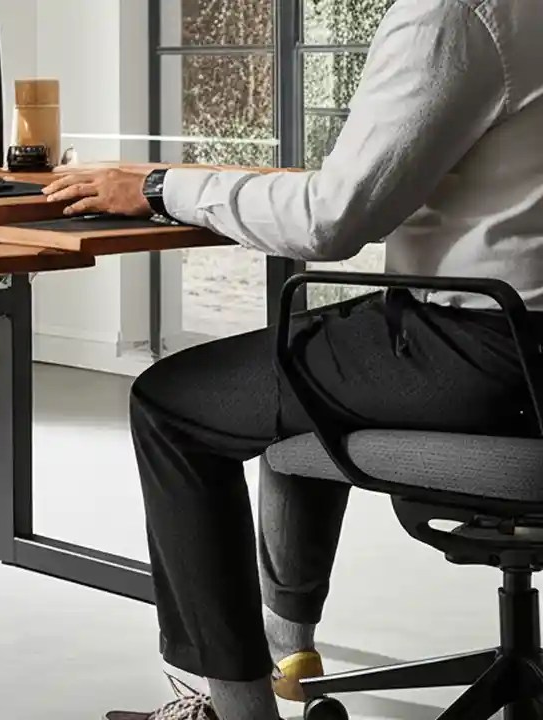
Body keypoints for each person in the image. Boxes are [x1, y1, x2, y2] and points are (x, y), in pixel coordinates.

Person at [43, 0, 543, 718]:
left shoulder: (452, 14)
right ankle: (288, 642)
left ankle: (234, 707)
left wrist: (159, 187)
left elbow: (330, 219)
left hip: (485, 353)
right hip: (522, 347)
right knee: (298, 360)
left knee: (172, 404)